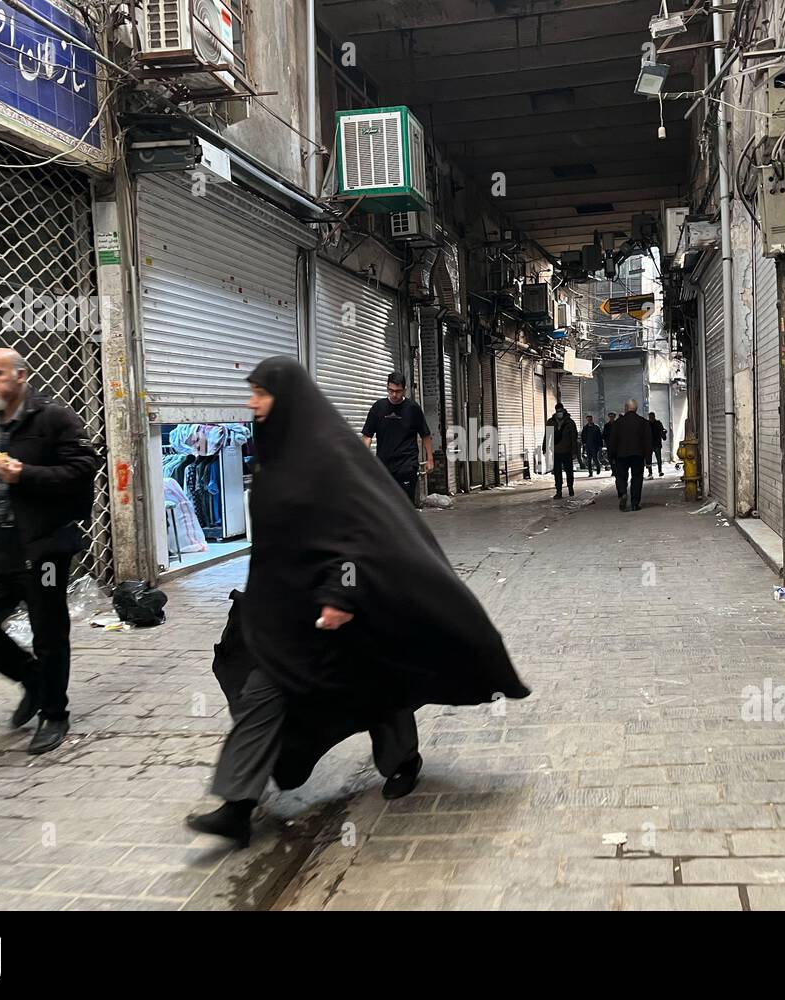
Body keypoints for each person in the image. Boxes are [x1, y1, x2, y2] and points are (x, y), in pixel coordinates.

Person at [187, 357, 530, 848]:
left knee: (375, 690)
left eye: (260, 392)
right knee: (263, 694)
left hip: (339, 614)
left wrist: (340, 594)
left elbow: (357, 534)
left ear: (287, 398)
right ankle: (236, 807)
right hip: (287, 617)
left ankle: (403, 760)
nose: (251, 401)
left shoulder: (327, 457)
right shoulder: (276, 453)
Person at [0, 348, 102, 755]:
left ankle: (54, 713)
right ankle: (33, 679)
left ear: (21, 376)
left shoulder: (53, 418)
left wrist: (24, 473)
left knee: (48, 632)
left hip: (42, 546)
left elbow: (82, 468)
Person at [361, 370, 433, 504]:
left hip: (407, 464)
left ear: (404, 390)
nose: (394, 394)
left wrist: (430, 459)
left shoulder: (413, 409)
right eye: (391, 390)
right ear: (387, 388)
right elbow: (367, 436)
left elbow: (425, 435)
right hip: (384, 465)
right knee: (386, 506)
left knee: (405, 505)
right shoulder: (378, 408)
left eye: (398, 391)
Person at [608, 399, 652, 512]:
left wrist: (611, 456)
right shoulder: (643, 422)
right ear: (636, 409)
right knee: (637, 478)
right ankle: (634, 503)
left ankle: (622, 493)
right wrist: (648, 460)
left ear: (626, 408)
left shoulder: (618, 423)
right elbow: (648, 442)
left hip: (621, 455)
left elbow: (612, 441)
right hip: (637, 455)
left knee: (621, 476)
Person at [544, 401, 579, 499]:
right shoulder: (551, 422)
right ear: (555, 411)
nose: (559, 412)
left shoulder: (569, 422)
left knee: (569, 471)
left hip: (567, 451)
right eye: (557, 411)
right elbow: (547, 436)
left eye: (560, 411)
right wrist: (545, 448)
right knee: (557, 472)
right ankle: (558, 491)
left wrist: (574, 451)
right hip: (556, 451)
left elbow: (573, 438)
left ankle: (570, 488)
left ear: (563, 410)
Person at [647, 411, 668, 479]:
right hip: (650, 444)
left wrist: (664, 433)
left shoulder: (658, 423)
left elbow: (662, 430)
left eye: (652, 417)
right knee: (649, 459)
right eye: (650, 417)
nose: (651, 418)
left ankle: (660, 471)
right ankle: (650, 472)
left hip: (656, 444)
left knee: (658, 459)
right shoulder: (647, 424)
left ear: (654, 417)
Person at [602, 411, 618, 478]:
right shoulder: (606, 426)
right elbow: (604, 435)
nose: (611, 418)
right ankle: (613, 471)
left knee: (617, 458)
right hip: (609, 444)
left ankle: (617, 470)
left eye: (612, 416)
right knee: (610, 458)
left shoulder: (617, 424)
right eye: (610, 417)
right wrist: (605, 442)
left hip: (617, 445)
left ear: (614, 417)